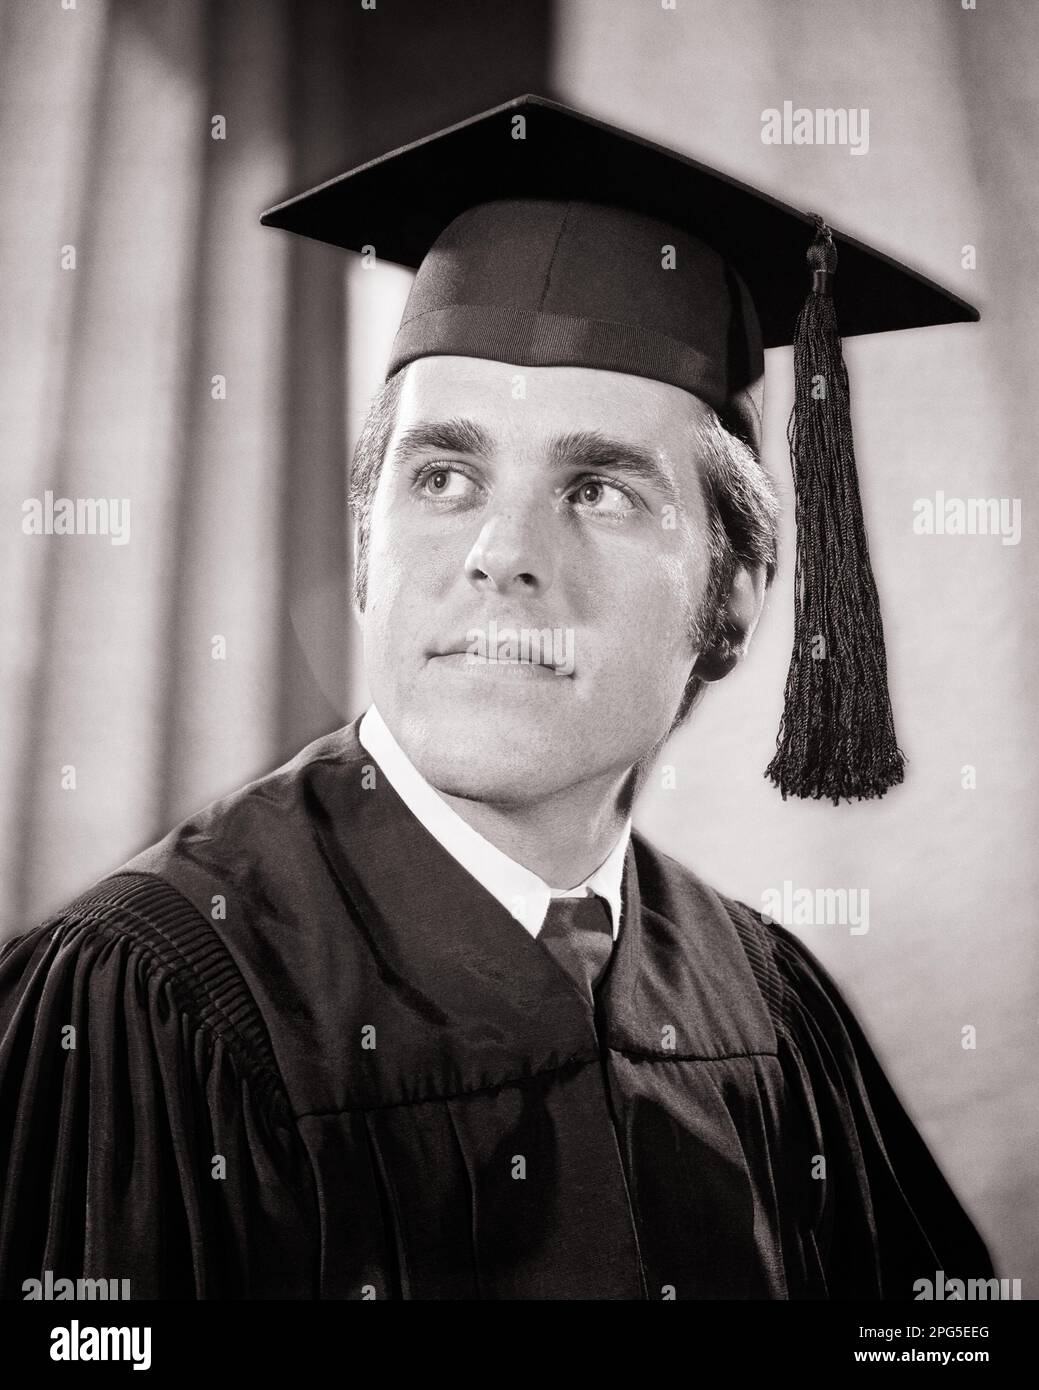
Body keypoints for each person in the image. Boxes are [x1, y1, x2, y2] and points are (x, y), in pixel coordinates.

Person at [0, 96, 994, 1300]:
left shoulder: (769, 1012)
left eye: (600, 491)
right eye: (444, 474)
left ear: (733, 597)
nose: (499, 551)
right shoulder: (146, 1004)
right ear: (366, 543)